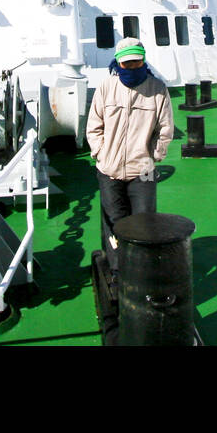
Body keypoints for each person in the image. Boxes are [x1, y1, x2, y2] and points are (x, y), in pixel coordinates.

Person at [85, 37, 174, 273]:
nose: (132, 67)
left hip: (143, 170)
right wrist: (100, 153)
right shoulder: (106, 87)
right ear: (118, 63)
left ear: (143, 61)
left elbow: (164, 129)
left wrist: (153, 155)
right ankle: (117, 271)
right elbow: (94, 126)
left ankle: (142, 269)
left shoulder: (157, 89)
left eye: (136, 62)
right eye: (127, 64)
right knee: (114, 222)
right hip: (109, 170)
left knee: (145, 220)